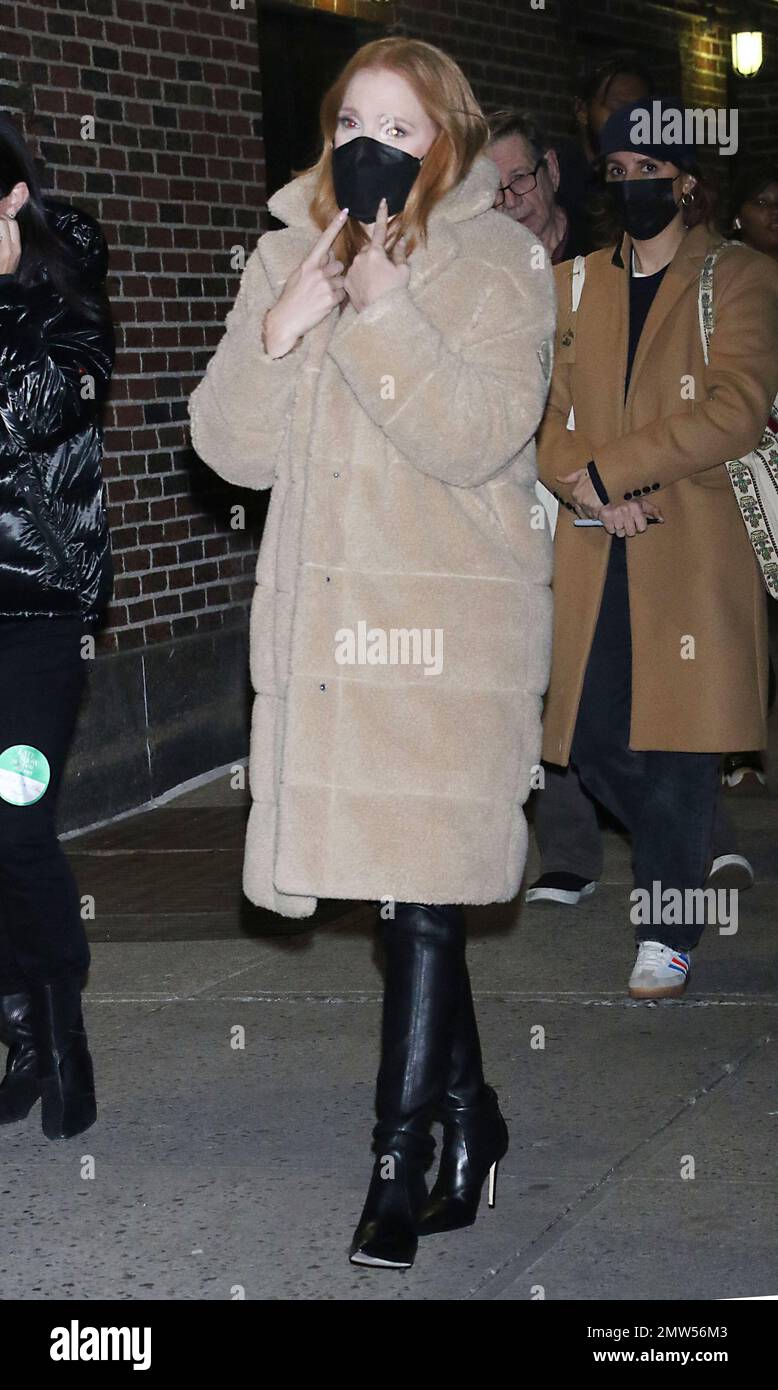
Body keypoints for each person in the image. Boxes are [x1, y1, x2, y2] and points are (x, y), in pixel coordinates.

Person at [189, 37, 555, 1269]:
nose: (372, 146)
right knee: (405, 903)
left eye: (400, 128)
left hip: (449, 630)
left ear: (446, 137)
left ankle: (396, 1170)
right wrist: (287, 322)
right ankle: (472, 1116)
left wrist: (387, 311)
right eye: (354, 118)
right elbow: (232, 451)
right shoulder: (286, 252)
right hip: (332, 628)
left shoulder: (499, 262)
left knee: (426, 895)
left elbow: (480, 433)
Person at [536, 98, 778, 1001]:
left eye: (651, 170)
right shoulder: (573, 284)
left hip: (694, 543)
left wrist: (611, 474)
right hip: (598, 547)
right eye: (619, 172)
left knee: (677, 743)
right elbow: (545, 413)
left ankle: (668, 925)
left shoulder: (741, 276)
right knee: (589, 736)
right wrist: (585, 484)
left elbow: (735, 410)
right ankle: (690, 851)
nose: (635, 187)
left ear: (688, 179)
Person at [0, 115, 114, 1137]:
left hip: (38, 613)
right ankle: (19, 1024)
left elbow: (47, 406)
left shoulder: (64, 295)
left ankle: (58, 1013)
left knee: (14, 816)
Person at [720, 164, 778, 791]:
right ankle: (739, 744)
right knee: (744, 606)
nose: (774, 213)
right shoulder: (725, 272)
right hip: (749, 453)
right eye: (763, 202)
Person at [555, 52, 653, 247]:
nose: (631, 122)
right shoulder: (556, 182)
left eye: (641, 114)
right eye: (618, 110)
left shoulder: (653, 180)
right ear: (582, 111)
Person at [486, 109, 589, 262]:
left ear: (552, 170)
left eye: (519, 177)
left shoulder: (606, 246)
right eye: (495, 187)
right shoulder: (484, 266)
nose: (510, 201)